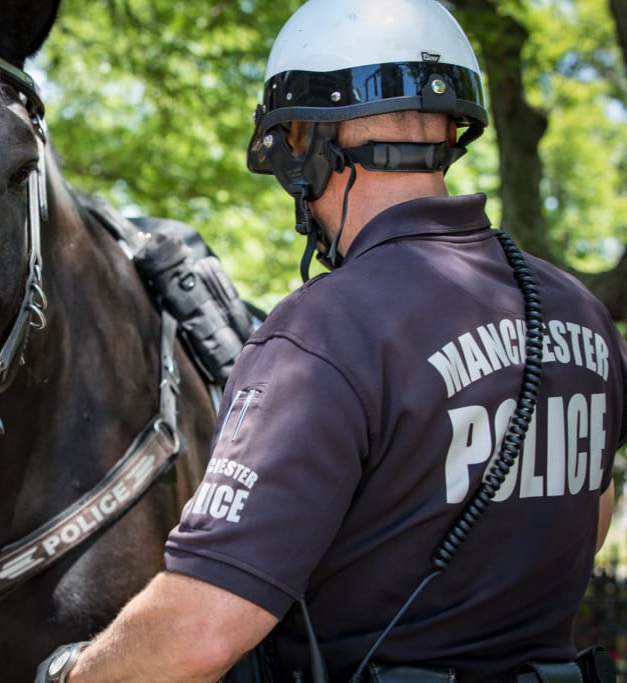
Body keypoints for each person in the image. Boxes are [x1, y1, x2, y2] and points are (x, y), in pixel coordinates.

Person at [36, 0, 626, 681]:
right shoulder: (578, 312)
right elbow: (595, 507)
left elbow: (201, 628)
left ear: (308, 148)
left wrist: (74, 672)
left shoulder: (322, 333)